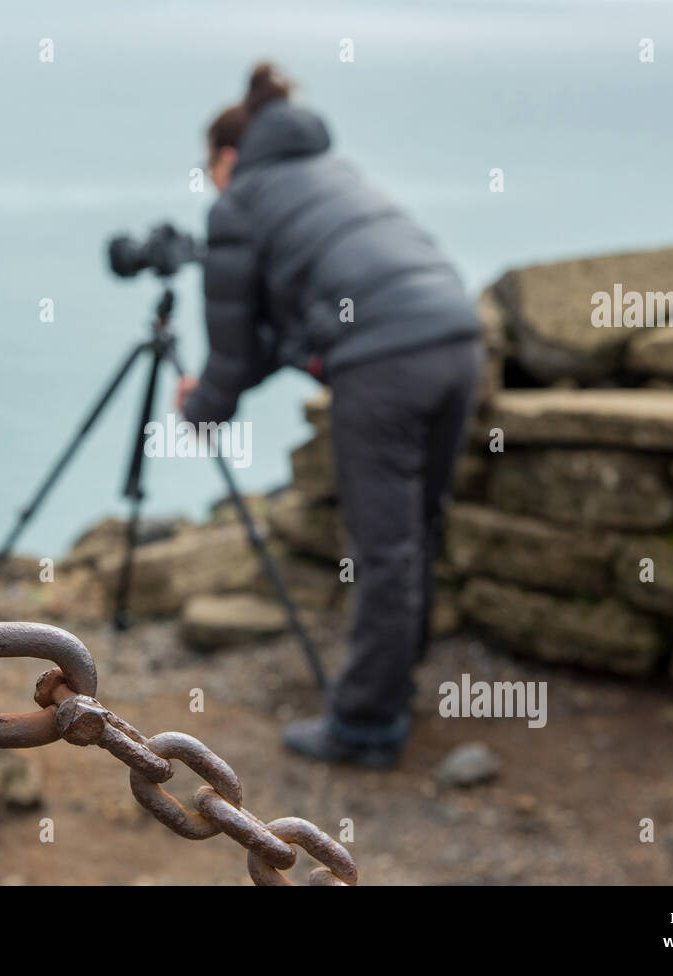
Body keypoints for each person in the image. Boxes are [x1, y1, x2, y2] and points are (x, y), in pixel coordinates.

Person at [177, 62, 485, 769]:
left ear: (226, 158)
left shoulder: (239, 202)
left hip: (384, 364)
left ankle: (366, 726)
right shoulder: (333, 172)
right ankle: (393, 686)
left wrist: (199, 408)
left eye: (207, 170)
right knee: (417, 530)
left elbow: (230, 353)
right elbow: (275, 334)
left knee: (382, 549)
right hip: (456, 338)